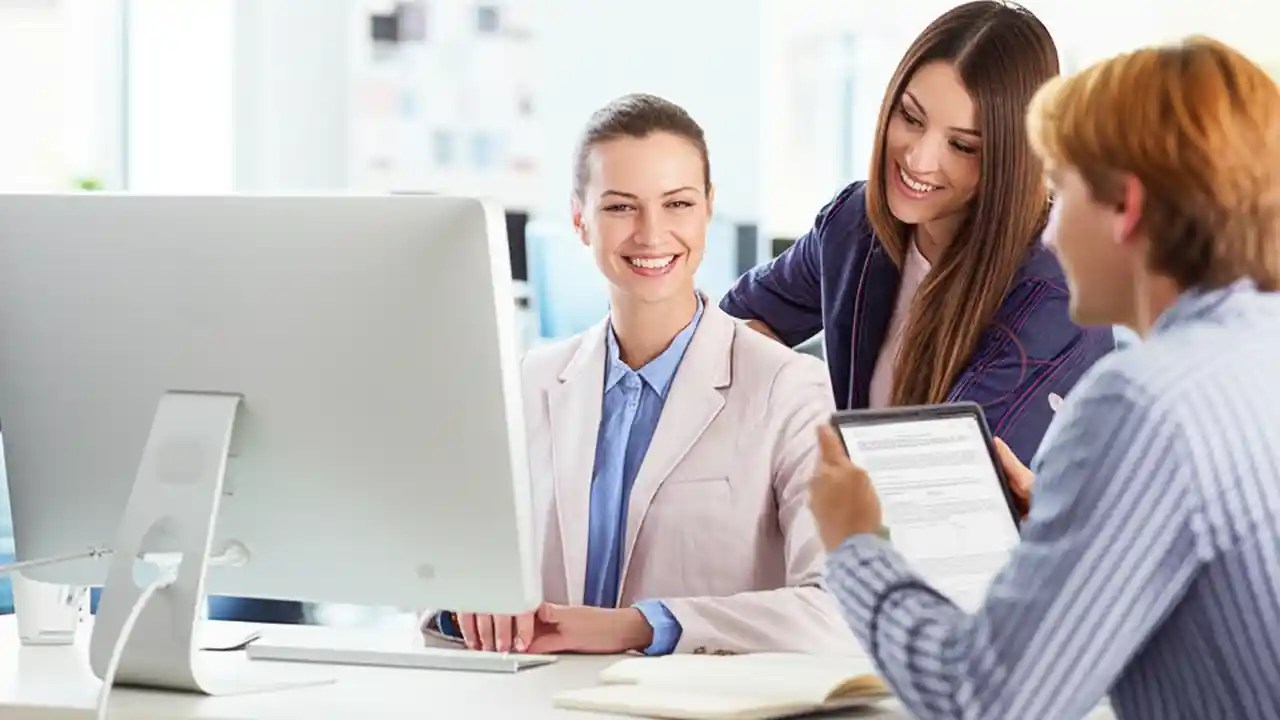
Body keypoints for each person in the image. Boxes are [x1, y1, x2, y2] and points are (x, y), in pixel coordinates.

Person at [809, 36, 1280, 719]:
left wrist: (856, 545)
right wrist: (1071, 527)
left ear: (1129, 207)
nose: (1051, 233)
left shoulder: (1144, 399)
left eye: (1059, 192)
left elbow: (989, 700)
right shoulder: (1255, 356)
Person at [424, 94, 856, 657]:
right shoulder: (532, 382)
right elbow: (441, 578)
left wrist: (640, 626)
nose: (652, 234)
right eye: (621, 207)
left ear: (707, 209)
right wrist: (468, 603)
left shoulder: (790, 389)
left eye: (676, 204)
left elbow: (841, 609)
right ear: (580, 218)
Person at [720, 1, 1113, 465]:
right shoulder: (855, 224)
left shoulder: (1052, 292)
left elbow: (934, 478)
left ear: (1010, 161)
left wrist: (792, 405)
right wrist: (791, 388)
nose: (918, 159)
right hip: (850, 523)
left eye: (962, 145)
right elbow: (729, 328)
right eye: (910, 117)